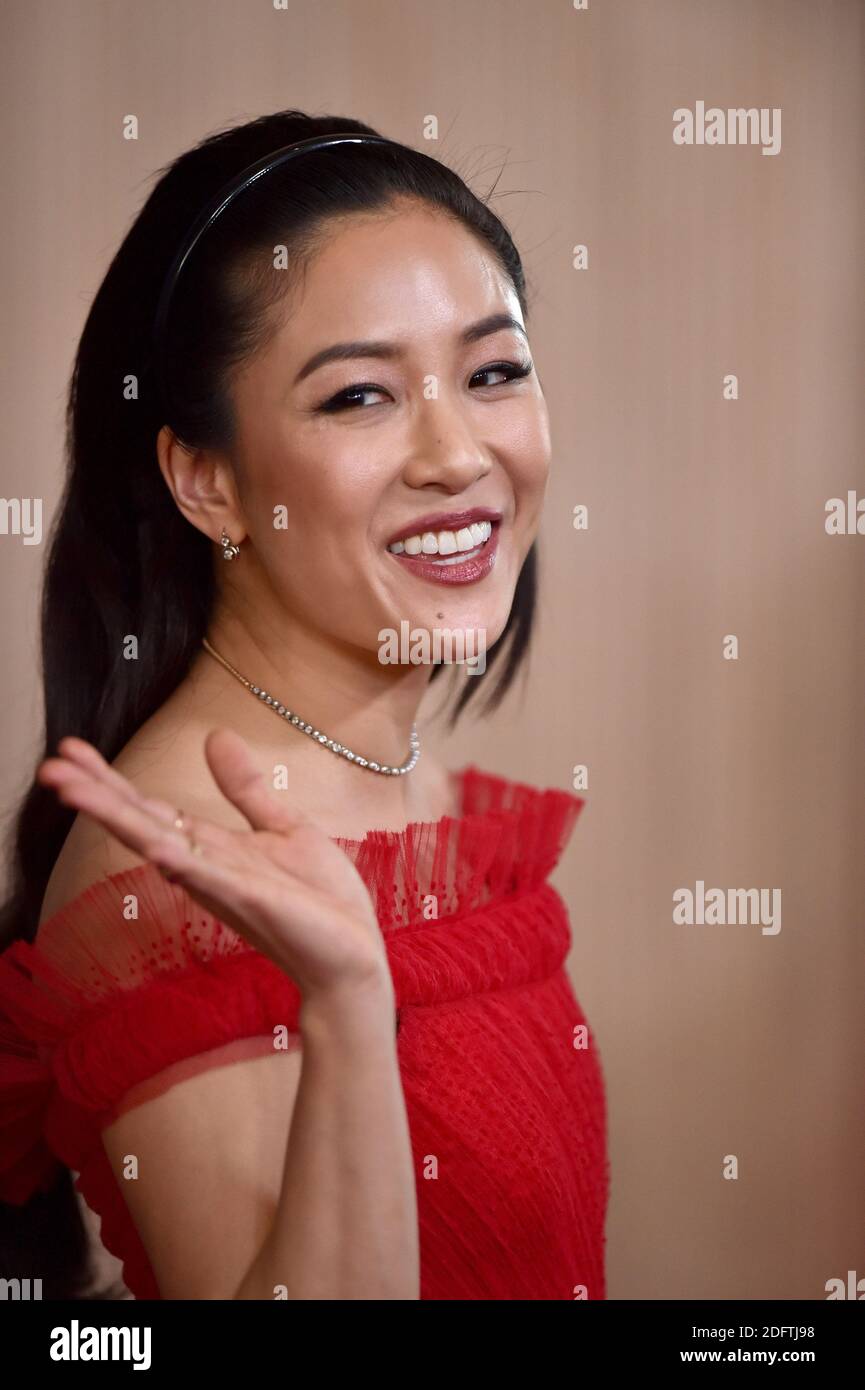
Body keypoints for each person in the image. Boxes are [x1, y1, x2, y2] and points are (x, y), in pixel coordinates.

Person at [0, 109, 609, 1300]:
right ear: (209, 481)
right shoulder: (168, 873)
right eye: (359, 399)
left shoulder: (416, 782)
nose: (454, 454)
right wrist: (343, 1003)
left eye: (493, 373)